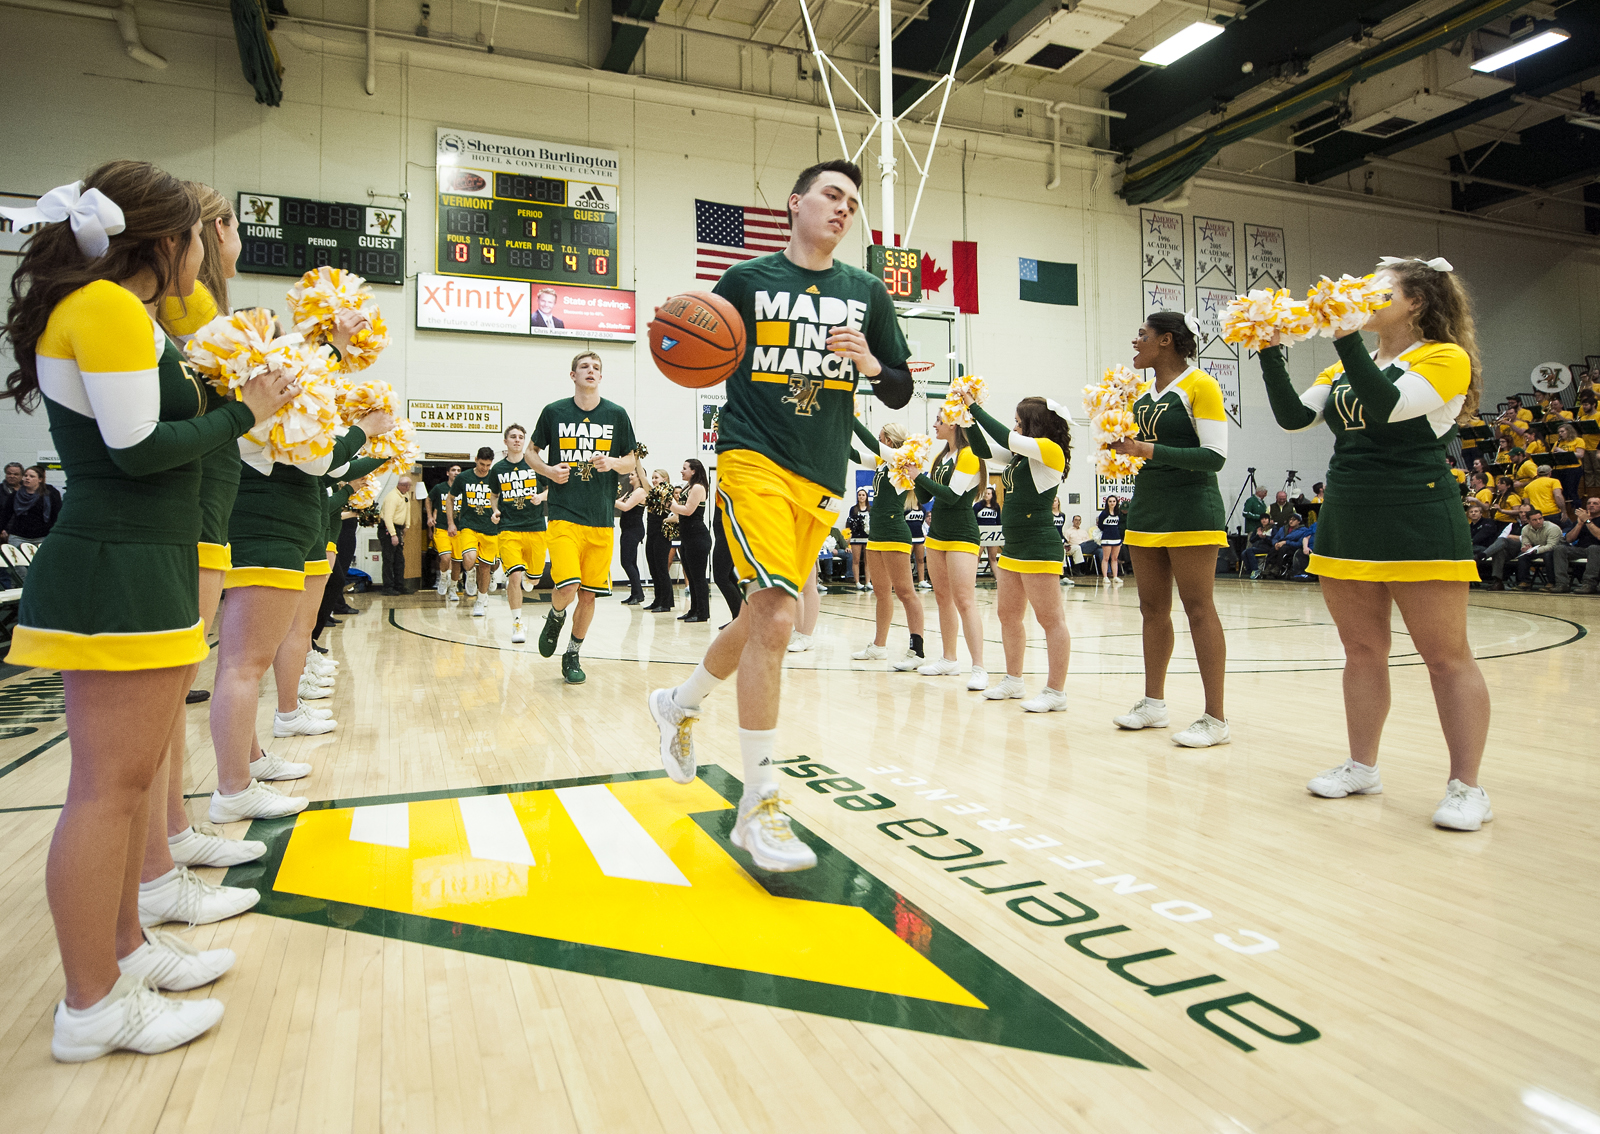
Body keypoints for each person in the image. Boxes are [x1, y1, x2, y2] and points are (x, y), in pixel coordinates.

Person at [1, 162, 296, 1059]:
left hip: (146, 561)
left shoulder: (115, 313)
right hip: (118, 563)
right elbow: (134, 449)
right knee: (107, 791)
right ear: (167, 243)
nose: (208, 255)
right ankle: (91, 1006)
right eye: (201, 239)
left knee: (126, 789)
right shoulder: (107, 310)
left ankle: (122, 950)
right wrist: (243, 410)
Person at [647, 158, 912, 873]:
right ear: (795, 204)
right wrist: (677, 344)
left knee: (762, 619)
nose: (844, 208)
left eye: (852, 202)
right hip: (751, 457)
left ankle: (679, 702)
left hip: (822, 474)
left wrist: (871, 366)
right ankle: (759, 802)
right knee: (776, 618)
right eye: (832, 194)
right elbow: (703, 353)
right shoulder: (747, 282)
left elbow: (900, 389)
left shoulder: (866, 294)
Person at [1257, 255, 1492, 830]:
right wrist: (1267, 348)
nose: (1361, 297)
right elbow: (1292, 418)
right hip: (1347, 512)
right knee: (1362, 651)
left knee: (1444, 656)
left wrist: (1342, 339)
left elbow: (1389, 409)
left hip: (1417, 513)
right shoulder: (1342, 369)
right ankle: (1362, 765)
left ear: (1416, 303)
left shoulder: (1445, 358)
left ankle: (1467, 787)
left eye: (1378, 291)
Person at [1108, 311, 1230, 747]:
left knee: (1199, 608)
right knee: (1151, 609)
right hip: (1148, 508)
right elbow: (1140, 451)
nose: (1135, 341)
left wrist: (1146, 448)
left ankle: (1215, 718)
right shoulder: (1141, 396)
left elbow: (1214, 456)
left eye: (1142, 334)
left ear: (1166, 340)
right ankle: (1153, 703)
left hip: (1192, 508)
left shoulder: (1201, 385)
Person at [529, 351, 639, 684]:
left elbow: (631, 460)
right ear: (573, 375)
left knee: (589, 595)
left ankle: (573, 653)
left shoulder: (616, 415)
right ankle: (555, 614)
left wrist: (613, 464)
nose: (590, 371)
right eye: (584, 367)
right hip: (564, 515)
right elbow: (532, 453)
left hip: (602, 519)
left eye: (596, 368)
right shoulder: (554, 411)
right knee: (569, 585)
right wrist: (549, 471)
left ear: (601, 377)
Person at [962, 396, 1073, 711]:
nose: (1015, 426)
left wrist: (974, 407)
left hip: (1039, 544)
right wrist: (964, 420)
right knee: (1008, 614)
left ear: (1034, 424)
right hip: (1014, 546)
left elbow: (1003, 437)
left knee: (1050, 619)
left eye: (1019, 421)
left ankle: (1056, 692)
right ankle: (1014, 680)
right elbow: (984, 450)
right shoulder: (1020, 457)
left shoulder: (1050, 450)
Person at [911, 414, 989, 688]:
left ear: (954, 424)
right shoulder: (940, 457)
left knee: (965, 601)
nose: (934, 425)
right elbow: (924, 498)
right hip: (937, 534)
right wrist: (914, 474)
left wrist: (919, 475)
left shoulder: (969, 455)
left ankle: (978, 667)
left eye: (939, 420)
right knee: (942, 598)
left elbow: (953, 495)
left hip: (962, 533)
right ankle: (949, 659)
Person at [849, 418, 927, 670]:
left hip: (895, 532)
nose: (877, 439)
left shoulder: (899, 459)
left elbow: (869, 443)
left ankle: (917, 650)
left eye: (881, 436)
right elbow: (853, 453)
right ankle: (878, 646)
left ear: (889, 440)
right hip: (877, 534)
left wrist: (849, 415)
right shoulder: (882, 462)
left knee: (905, 592)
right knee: (881, 593)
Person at [492, 424, 550, 643]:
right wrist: (495, 510)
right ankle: (517, 623)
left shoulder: (535, 464)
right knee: (514, 576)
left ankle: (531, 578)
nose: (517, 440)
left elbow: (551, 487)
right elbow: (494, 495)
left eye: (521, 437)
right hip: (508, 530)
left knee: (533, 580)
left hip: (535, 528)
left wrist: (541, 498)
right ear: (506, 441)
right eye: (513, 437)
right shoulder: (498, 469)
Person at [448, 446, 499, 618]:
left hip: (490, 528)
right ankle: (469, 575)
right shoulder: (463, 477)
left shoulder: (495, 477)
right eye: (482, 463)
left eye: (488, 465)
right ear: (476, 459)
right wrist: (450, 523)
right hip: (469, 525)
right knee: (469, 561)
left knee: (486, 566)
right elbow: (450, 498)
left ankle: (481, 599)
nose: (484, 468)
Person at [672, 459, 713, 623]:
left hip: (698, 537)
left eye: (684, 468)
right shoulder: (688, 486)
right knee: (690, 574)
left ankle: (703, 612)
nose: (681, 471)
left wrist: (670, 504)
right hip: (688, 537)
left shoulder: (698, 487)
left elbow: (688, 511)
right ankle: (694, 609)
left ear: (694, 471)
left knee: (698, 577)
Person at [0, 464, 60, 553]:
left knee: (39, 564)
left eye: (31, 476)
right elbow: (5, 515)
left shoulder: (49, 494)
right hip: (18, 536)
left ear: (40, 479)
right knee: (18, 565)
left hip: (42, 536)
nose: (27, 478)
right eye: (25, 476)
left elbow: (56, 514)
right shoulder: (15, 495)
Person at [1551, 496, 1600, 594]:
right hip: (1581, 549)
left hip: (1597, 549)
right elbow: (1569, 539)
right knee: (1560, 548)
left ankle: (1589, 585)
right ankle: (1562, 584)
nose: (1591, 505)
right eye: (1589, 503)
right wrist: (1580, 524)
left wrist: (1587, 521)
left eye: (1595, 503)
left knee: (1593, 548)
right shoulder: (1582, 519)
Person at [427, 463, 462, 600]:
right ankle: (442, 577)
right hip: (442, 527)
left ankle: (453, 588)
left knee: (456, 561)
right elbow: (428, 499)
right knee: (445, 557)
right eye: (453, 470)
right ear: (448, 473)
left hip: (460, 529)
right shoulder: (440, 488)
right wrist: (430, 516)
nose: (456, 472)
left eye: (459, 470)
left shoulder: (464, 488)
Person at [644, 468, 676, 612]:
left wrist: (664, 521)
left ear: (664, 479)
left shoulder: (668, 495)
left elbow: (677, 515)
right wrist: (636, 459)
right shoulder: (652, 493)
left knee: (662, 568)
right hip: (651, 534)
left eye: (656, 477)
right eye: (652, 477)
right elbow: (643, 479)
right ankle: (658, 600)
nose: (653, 480)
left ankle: (667, 602)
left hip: (662, 535)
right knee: (653, 569)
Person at [616, 468, 647, 605]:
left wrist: (607, 497)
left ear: (640, 477)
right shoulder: (631, 491)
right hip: (628, 529)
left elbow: (625, 507)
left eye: (632, 474)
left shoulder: (641, 491)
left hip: (634, 530)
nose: (630, 476)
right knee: (631, 562)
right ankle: (636, 593)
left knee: (626, 562)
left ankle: (638, 593)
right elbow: (619, 502)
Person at [378, 475, 413, 595]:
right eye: (408, 486)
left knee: (399, 560)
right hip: (388, 528)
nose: (409, 488)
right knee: (389, 559)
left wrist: (407, 526)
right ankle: (388, 587)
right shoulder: (392, 497)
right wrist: (393, 535)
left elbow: (407, 511)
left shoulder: (405, 495)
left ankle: (399, 585)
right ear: (402, 485)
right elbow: (388, 517)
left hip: (398, 528)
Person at [1513, 507, 1561, 590]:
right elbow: (1525, 543)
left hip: (1555, 550)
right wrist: (1525, 548)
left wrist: (1535, 550)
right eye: (1535, 520)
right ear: (1529, 521)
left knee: (1548, 555)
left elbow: (1552, 546)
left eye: (1540, 518)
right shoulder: (1525, 529)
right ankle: (1525, 582)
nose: (1539, 521)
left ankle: (1552, 582)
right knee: (1523, 555)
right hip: (1537, 550)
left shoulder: (1552, 528)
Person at [712, 502, 744, 623]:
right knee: (729, 575)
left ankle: (740, 618)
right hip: (722, 532)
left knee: (721, 577)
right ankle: (741, 616)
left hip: (728, 533)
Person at [846, 486, 870, 589]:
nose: (861, 497)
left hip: (868, 538)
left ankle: (868, 582)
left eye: (863, 495)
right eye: (859, 495)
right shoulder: (853, 509)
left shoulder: (870, 509)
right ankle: (857, 582)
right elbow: (850, 524)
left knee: (868, 561)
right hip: (856, 538)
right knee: (855, 560)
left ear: (866, 496)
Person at [1096, 496, 1125, 581]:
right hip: (1107, 538)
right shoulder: (1104, 514)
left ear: (1116, 503)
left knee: (1115, 558)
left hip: (1116, 538)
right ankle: (1105, 576)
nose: (1112, 503)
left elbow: (1119, 524)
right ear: (1107, 503)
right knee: (1106, 558)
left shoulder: (1118, 513)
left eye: (1114, 501)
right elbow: (1100, 525)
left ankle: (1115, 576)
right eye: (1110, 501)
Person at [975, 485, 1001, 575]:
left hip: (993, 534)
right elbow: (973, 519)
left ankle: (998, 580)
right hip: (981, 534)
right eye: (985, 493)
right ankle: (972, 579)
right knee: (977, 557)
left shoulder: (996, 507)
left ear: (992, 495)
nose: (986, 495)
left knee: (993, 558)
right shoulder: (978, 506)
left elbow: (999, 522)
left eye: (989, 493)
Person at [1048, 498, 1075, 586]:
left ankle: (1064, 575)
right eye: (1052, 501)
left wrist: (1065, 541)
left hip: (1060, 539)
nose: (1053, 503)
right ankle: (1056, 575)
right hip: (1051, 539)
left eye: (1055, 501)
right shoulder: (1048, 514)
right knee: (1056, 556)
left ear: (1058, 502)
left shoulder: (1062, 515)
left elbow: (1060, 529)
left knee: (1062, 555)